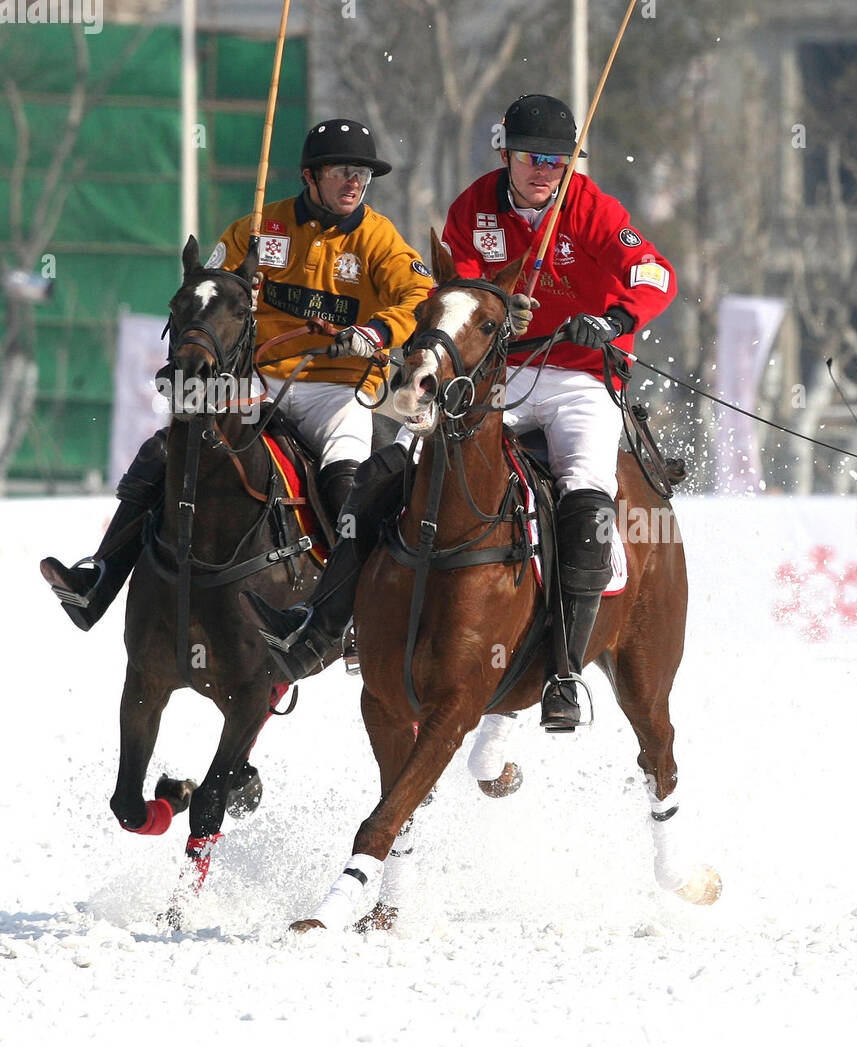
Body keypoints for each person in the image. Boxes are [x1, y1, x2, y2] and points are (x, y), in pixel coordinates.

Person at [247, 94, 676, 733]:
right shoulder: (474, 207)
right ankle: (327, 626)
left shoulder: (591, 209)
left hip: (581, 379)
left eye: (558, 161)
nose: (545, 171)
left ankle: (562, 672)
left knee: (586, 494)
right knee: (385, 462)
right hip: (493, 376)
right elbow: (458, 289)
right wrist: (496, 306)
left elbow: (655, 273)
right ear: (505, 152)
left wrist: (612, 319)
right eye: (532, 158)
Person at [41, 118, 434, 635]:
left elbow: (420, 295)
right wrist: (232, 296)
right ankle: (99, 579)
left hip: (339, 387)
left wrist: (376, 334)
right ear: (309, 177)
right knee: (166, 451)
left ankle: (356, 615)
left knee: (347, 484)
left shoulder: (377, 237)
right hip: (259, 380)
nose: (354, 182)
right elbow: (211, 288)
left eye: (362, 173)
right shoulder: (259, 227)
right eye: (342, 171)